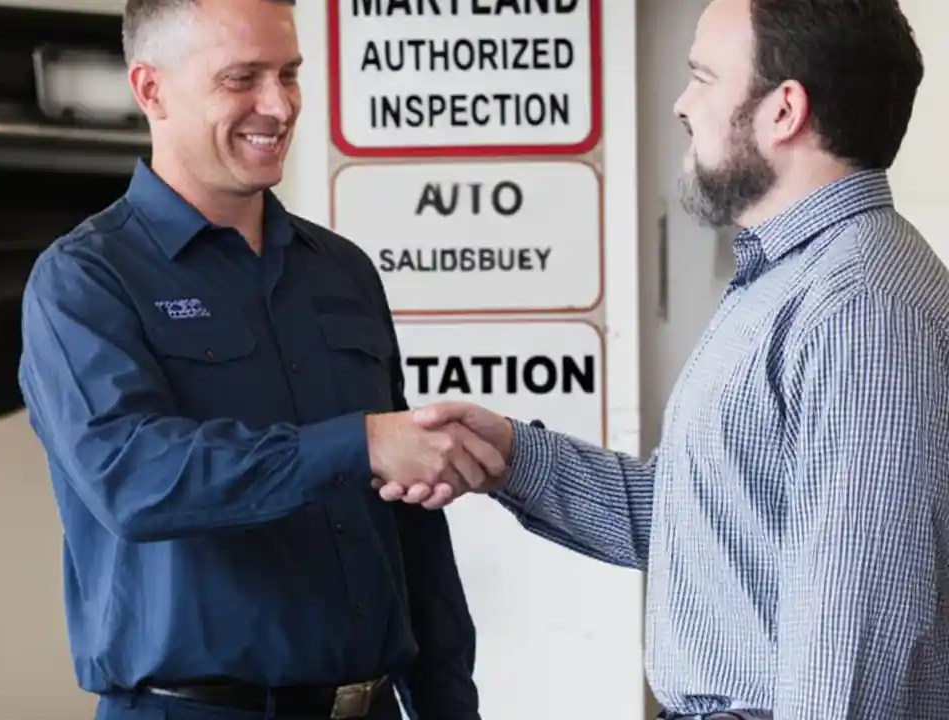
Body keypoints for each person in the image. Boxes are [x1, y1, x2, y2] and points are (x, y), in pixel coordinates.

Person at [381, 0, 948, 718]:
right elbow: (703, 523)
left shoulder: (861, 307)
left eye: (704, 78)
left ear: (784, 111)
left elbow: (854, 641)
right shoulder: (786, 282)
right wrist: (514, 458)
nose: (684, 104)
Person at [17, 1, 501, 718]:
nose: (277, 106)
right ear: (151, 89)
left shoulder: (342, 272)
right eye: (242, 78)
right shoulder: (86, 281)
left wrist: (449, 705)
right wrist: (361, 444)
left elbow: (410, 530)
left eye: (289, 74)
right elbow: (133, 479)